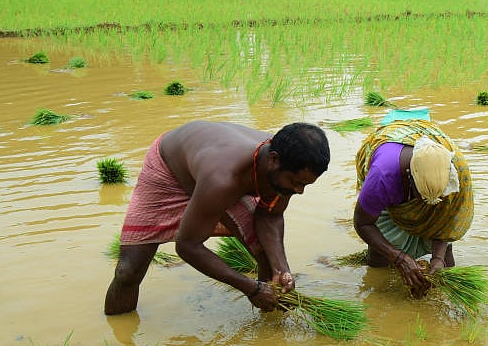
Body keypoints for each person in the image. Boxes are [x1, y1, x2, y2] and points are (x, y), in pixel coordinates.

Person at [105, 121, 330, 315]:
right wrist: (250, 288)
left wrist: (281, 268)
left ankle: (268, 331)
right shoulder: (224, 179)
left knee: (266, 255)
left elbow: (270, 215)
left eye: (305, 184)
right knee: (128, 270)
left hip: (221, 174)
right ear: (273, 160)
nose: (300, 191)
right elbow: (187, 246)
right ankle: (117, 337)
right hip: (169, 170)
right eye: (296, 183)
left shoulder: (283, 168)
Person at [353, 117, 473, 298]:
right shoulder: (382, 176)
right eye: (421, 197)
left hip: (429, 185)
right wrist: (399, 259)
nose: (426, 207)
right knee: (380, 254)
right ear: (409, 176)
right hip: (390, 188)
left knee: (444, 258)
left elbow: (447, 223)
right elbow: (363, 224)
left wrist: (438, 259)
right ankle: (379, 294)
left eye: (436, 199)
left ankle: (445, 297)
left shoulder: (455, 177)